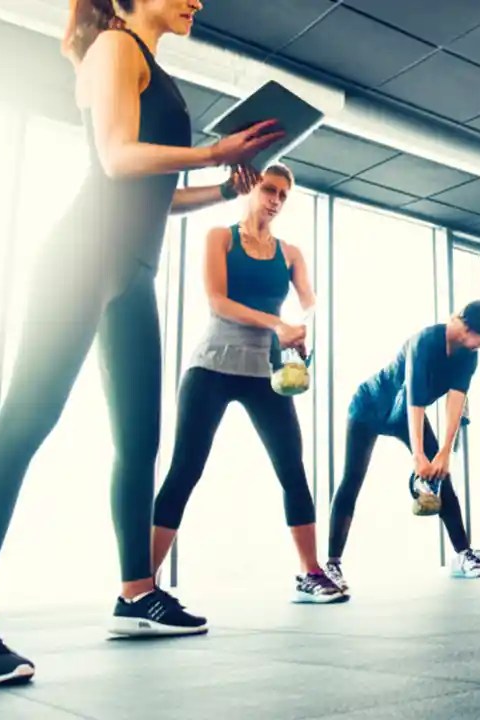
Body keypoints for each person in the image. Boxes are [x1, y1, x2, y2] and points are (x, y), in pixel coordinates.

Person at [0, 0, 285, 688]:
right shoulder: (115, 47)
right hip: (82, 257)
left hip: (132, 272)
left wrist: (223, 186)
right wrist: (216, 150)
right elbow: (116, 157)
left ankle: (137, 594)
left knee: (140, 440)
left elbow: (155, 188)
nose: (197, 1)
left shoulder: (148, 63)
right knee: (24, 422)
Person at [150, 164, 343, 606]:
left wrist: (304, 325)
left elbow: (311, 303)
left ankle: (311, 573)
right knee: (186, 470)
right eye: (269, 190)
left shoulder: (290, 253)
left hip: (265, 376)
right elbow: (218, 301)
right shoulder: (220, 237)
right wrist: (276, 322)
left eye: (282, 196)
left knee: (292, 471)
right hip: (212, 368)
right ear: (251, 189)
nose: (275, 200)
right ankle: (144, 584)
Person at [325, 302, 480, 589]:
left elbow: (455, 403)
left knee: (442, 479)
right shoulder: (425, 342)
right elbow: (415, 400)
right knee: (352, 480)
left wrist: (445, 452)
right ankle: (332, 565)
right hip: (370, 406)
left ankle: (463, 555)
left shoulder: (468, 355)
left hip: (405, 415)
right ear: (465, 326)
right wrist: (419, 455)